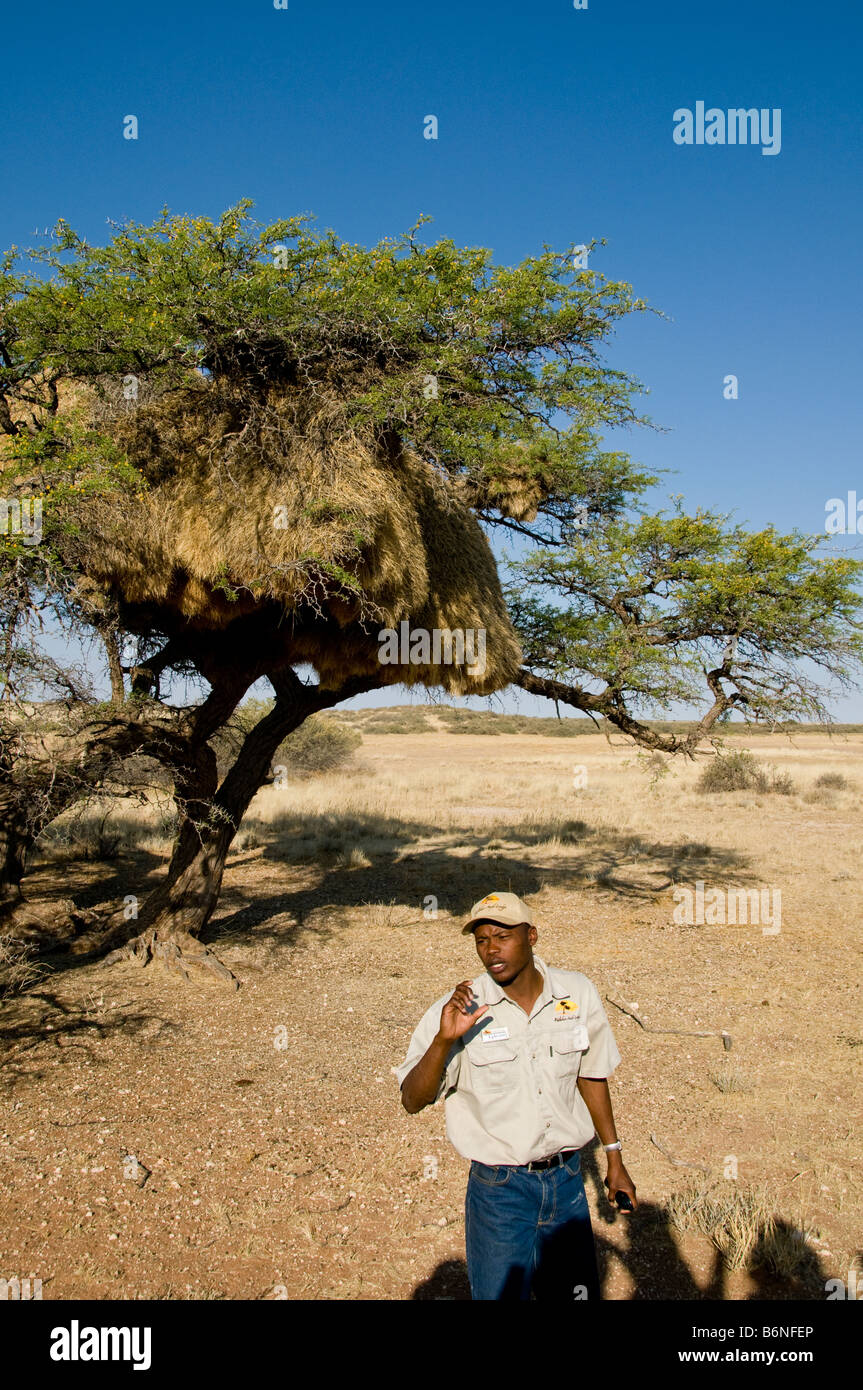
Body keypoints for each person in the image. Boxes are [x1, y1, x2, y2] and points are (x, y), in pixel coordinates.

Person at [396, 890, 637, 1300]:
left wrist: (614, 1157)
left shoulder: (576, 993)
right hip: (499, 1192)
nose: (491, 950)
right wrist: (443, 1040)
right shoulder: (460, 1007)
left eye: (502, 936)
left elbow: (591, 1074)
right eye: (481, 940)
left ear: (531, 935)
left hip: (567, 1183)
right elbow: (412, 1099)